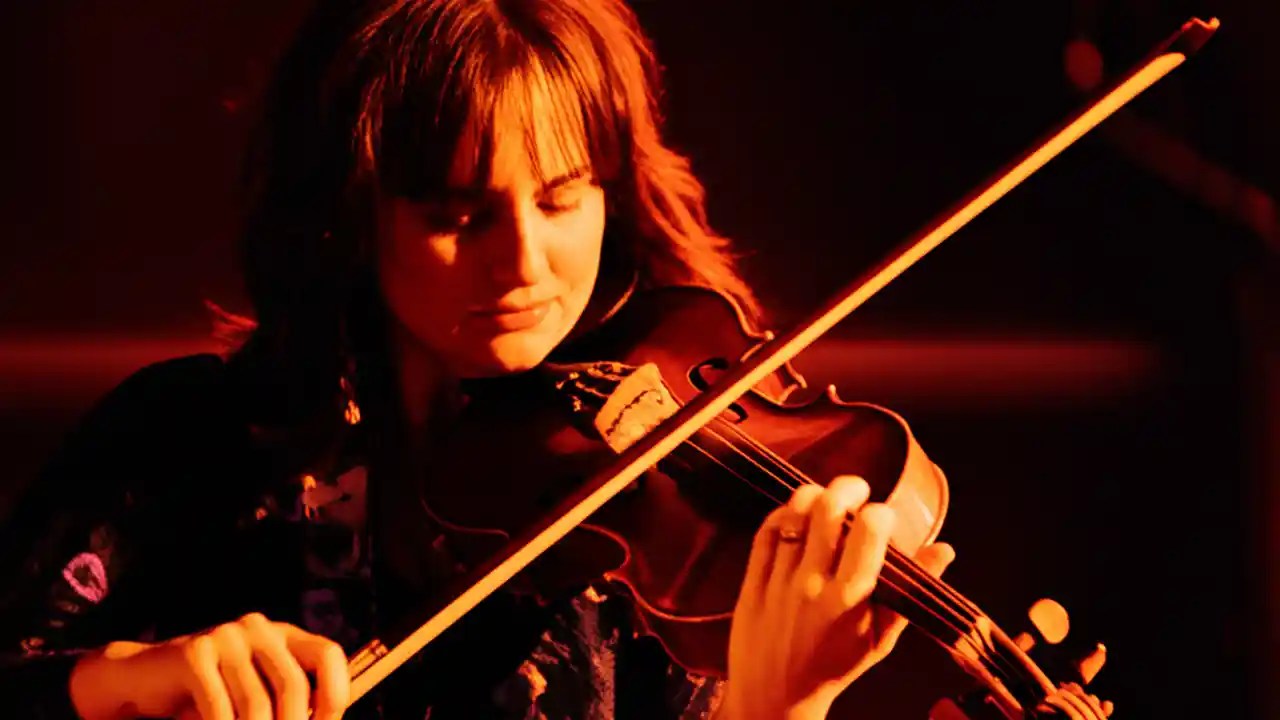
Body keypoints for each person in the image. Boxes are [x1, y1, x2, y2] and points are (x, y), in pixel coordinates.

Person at [0, 1, 957, 718]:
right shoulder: (186, 441)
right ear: (350, 213)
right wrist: (124, 680)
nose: (524, 264)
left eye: (563, 198)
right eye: (459, 215)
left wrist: (779, 708)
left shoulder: (655, 560)